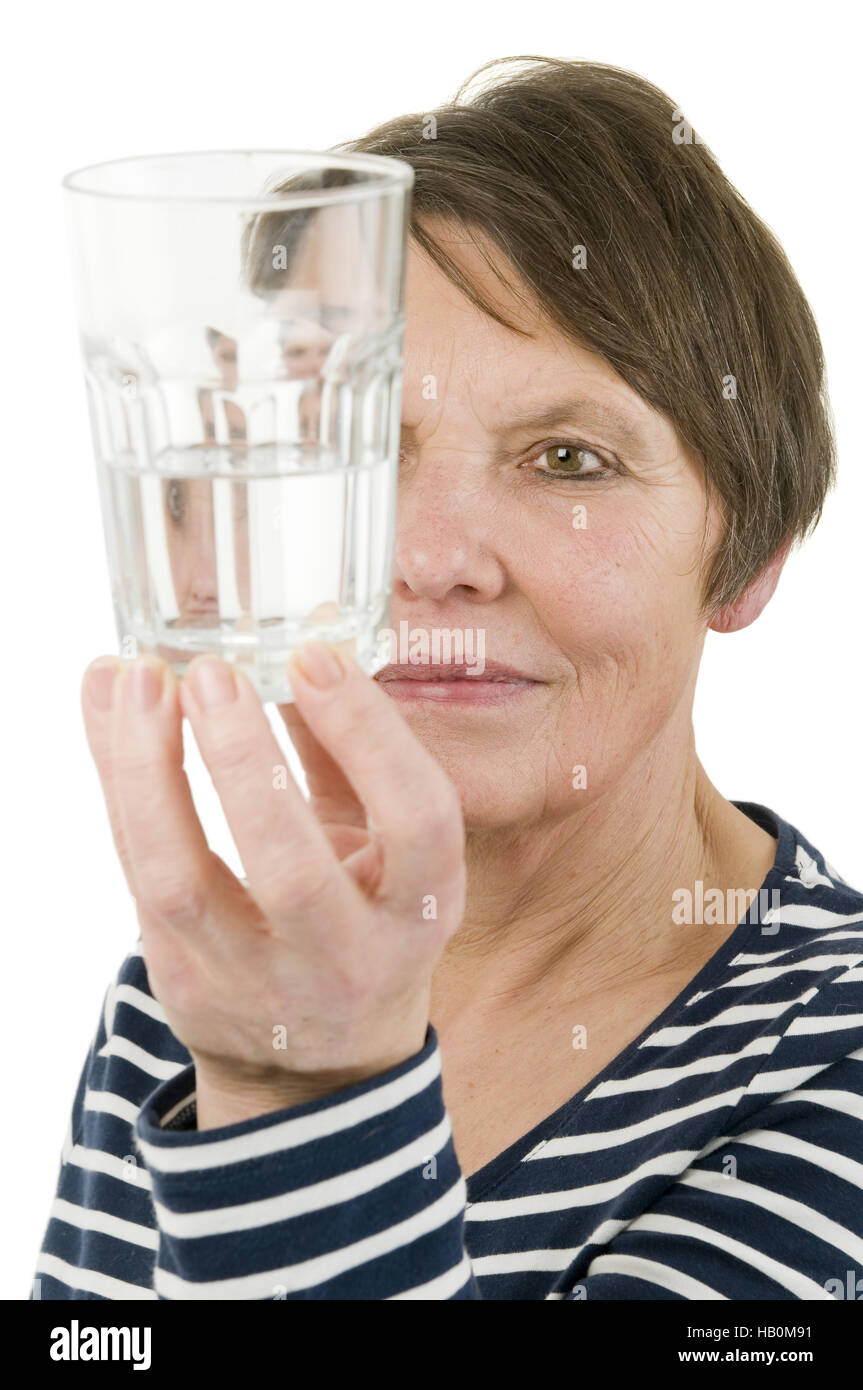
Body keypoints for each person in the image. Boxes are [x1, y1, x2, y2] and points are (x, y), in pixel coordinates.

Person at [32, 57, 863, 1301]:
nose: (428, 559)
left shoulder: (830, 1057)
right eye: (363, 445)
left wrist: (306, 1096)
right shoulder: (200, 991)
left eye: (568, 459)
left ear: (747, 559)